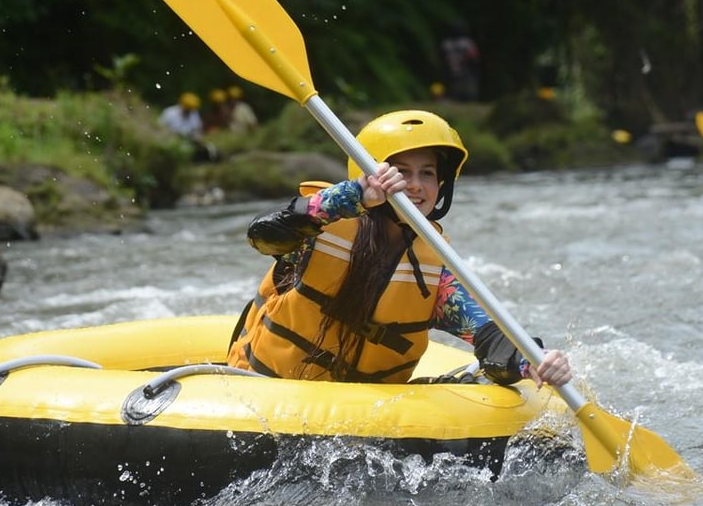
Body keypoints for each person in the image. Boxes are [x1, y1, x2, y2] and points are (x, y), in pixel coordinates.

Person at [226, 110, 573, 388]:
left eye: (427, 173)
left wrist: (532, 360)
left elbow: (486, 333)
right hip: (267, 391)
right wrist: (354, 195)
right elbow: (264, 235)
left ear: (441, 184)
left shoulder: (433, 272)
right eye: (402, 171)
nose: (416, 186)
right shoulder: (321, 229)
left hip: (365, 421)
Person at [159, 92, 217, 161]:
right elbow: (160, 129)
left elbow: (197, 130)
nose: (189, 111)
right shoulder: (169, 113)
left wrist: (199, 139)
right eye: (188, 108)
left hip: (188, 146)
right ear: (182, 104)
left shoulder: (194, 114)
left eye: (190, 109)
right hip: (170, 144)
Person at [440, 24, 481, 102]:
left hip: (451, 68)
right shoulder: (466, 43)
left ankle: (456, 101)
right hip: (466, 68)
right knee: (469, 89)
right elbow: (473, 55)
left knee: (454, 88)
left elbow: (442, 57)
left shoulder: (446, 44)